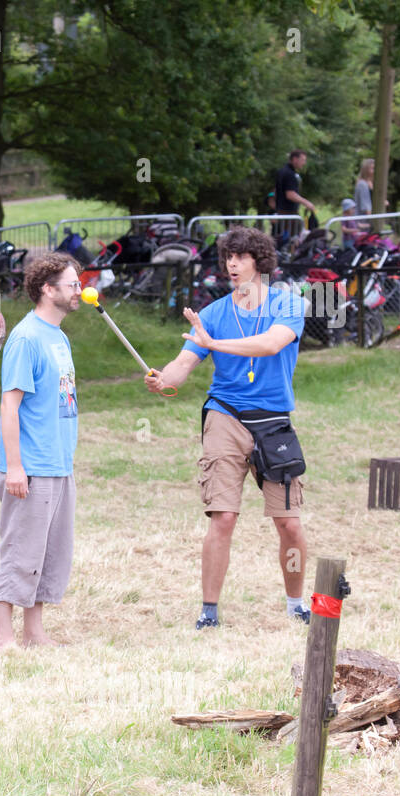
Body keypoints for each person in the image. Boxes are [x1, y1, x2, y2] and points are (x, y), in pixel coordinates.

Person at [144, 227, 310, 629]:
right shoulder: (215, 313)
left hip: (273, 421)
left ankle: (295, 604)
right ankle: (209, 612)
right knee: (223, 516)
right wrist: (164, 379)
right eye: (227, 258)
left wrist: (214, 345)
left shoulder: (289, 304)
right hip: (225, 414)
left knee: (288, 521)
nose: (232, 264)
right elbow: (183, 364)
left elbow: (270, 344)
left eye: (240, 256)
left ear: (259, 260)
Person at [0, 252, 83, 652]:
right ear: (48, 289)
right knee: (20, 549)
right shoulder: (26, 338)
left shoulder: (58, 336)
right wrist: (15, 467)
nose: (80, 290)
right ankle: (3, 638)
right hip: (30, 466)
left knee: (49, 552)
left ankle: (34, 633)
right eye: (72, 284)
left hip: (59, 464)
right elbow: (9, 406)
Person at [274, 149, 318, 243]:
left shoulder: (283, 171)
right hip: (288, 214)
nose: (304, 163)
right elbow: (290, 194)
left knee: (285, 239)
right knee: (293, 240)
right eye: (303, 160)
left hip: (282, 212)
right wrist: (307, 203)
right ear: (294, 159)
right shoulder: (289, 174)